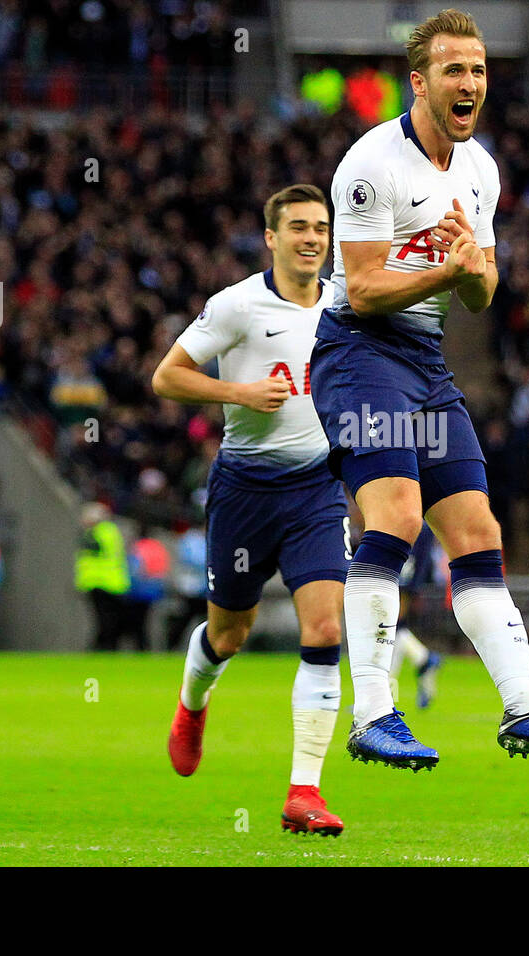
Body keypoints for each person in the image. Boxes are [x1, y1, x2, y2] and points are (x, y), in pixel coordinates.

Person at [309, 8, 529, 770]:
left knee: (477, 534)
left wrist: (473, 269)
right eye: (453, 70)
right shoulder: (371, 164)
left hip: (424, 358)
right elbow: (366, 289)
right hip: (359, 351)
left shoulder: (482, 171)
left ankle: (526, 707)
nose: (469, 82)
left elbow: (482, 290)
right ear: (420, 82)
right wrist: (450, 269)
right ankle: (374, 713)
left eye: (477, 70)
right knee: (398, 517)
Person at [152, 183, 350, 835]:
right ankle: (192, 703)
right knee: (228, 635)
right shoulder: (237, 305)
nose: (311, 238)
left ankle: (304, 791)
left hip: (317, 490)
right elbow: (167, 376)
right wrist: (237, 391)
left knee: (323, 631)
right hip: (244, 491)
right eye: (298, 227)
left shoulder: (348, 305)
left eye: (320, 227)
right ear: (271, 237)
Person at [388, 523, 443, 708]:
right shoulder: (423, 525)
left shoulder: (419, 524)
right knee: (394, 628)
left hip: (404, 572)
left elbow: (419, 557)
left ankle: (385, 696)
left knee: (391, 628)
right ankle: (424, 659)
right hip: (405, 571)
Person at [75, 502, 131, 650]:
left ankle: (101, 648)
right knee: (109, 620)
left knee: (105, 621)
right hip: (112, 583)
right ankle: (106, 648)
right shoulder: (110, 531)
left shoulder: (97, 532)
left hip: (101, 582)